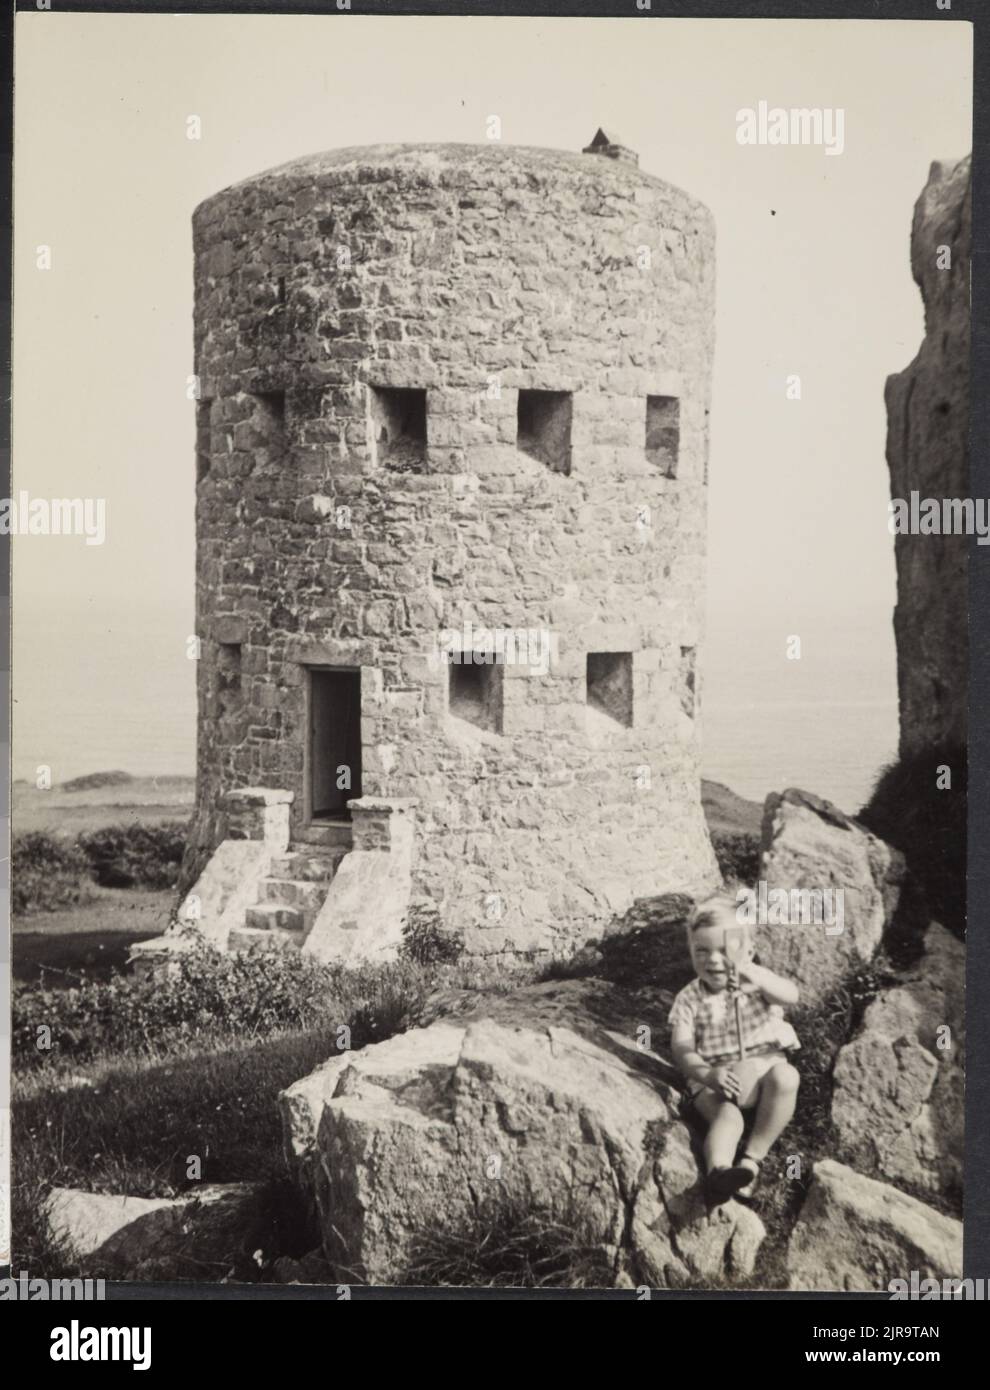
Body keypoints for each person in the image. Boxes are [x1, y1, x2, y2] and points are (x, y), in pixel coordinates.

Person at [668, 894, 801, 1203]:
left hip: (763, 1068)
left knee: (787, 1078)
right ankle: (719, 1174)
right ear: (690, 950)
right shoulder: (689, 999)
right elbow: (682, 1048)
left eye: (724, 950)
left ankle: (752, 1158)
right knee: (729, 1118)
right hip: (718, 1080)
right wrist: (707, 1073)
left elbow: (791, 995)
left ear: (748, 952)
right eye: (701, 951)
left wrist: (755, 975)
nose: (712, 960)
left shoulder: (757, 982)